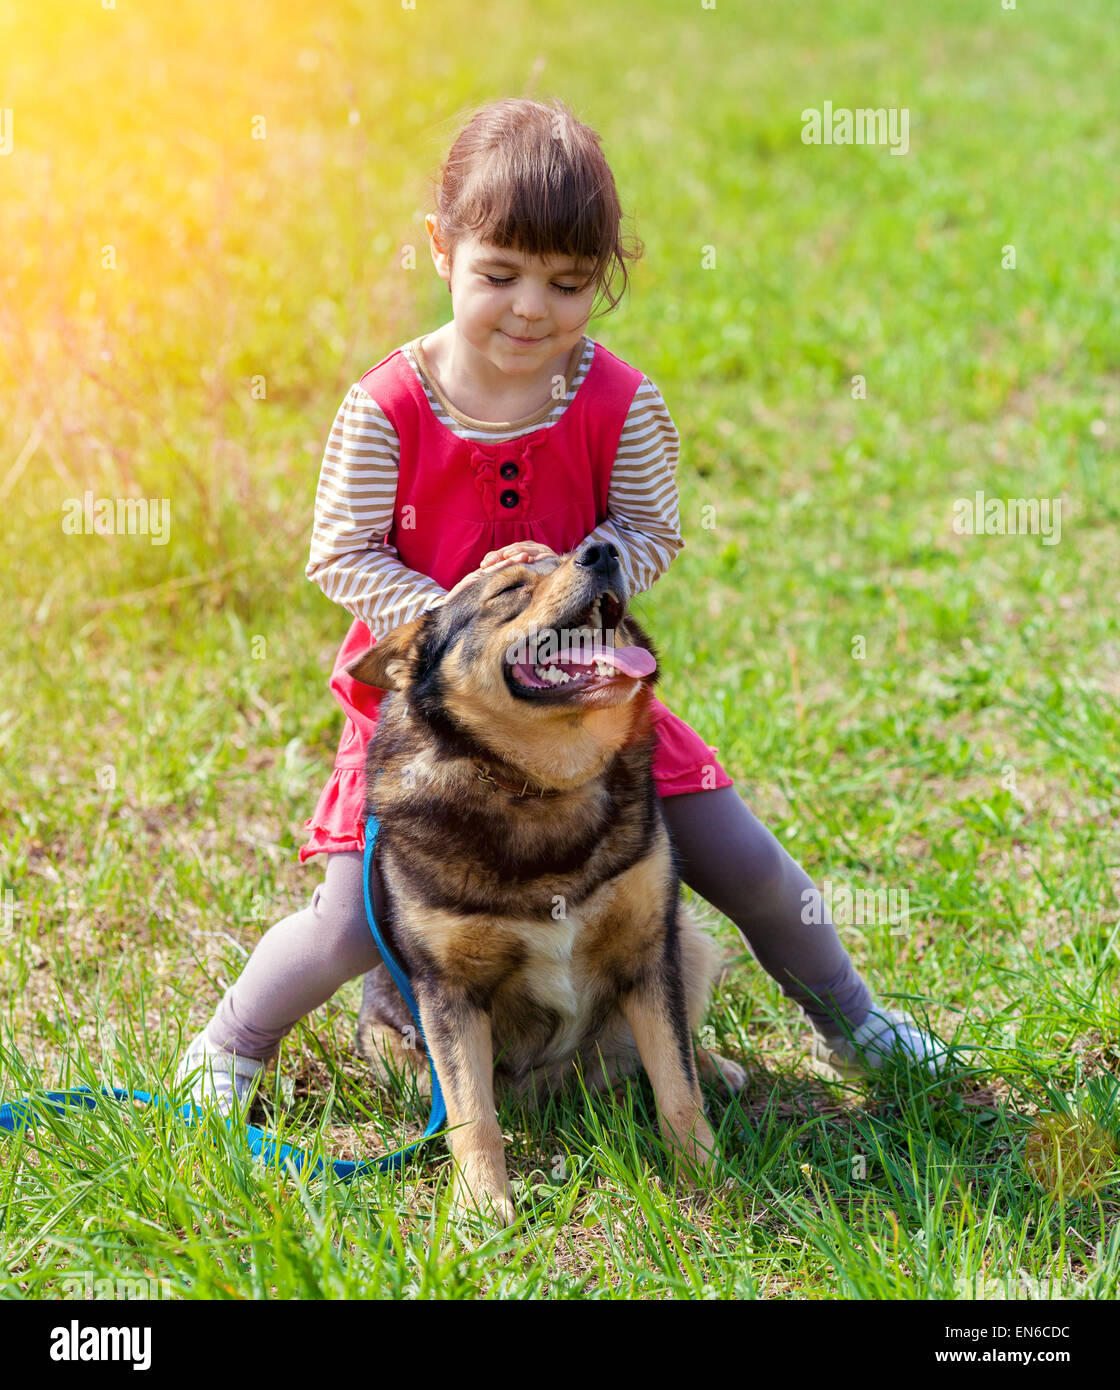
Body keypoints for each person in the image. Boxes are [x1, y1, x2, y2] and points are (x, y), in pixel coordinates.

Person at [177, 96, 946, 1113]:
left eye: (568, 282)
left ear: (603, 276)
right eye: (498, 275)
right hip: (431, 714)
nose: (531, 307)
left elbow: (651, 528)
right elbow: (342, 553)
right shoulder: (387, 407)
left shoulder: (617, 400)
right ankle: (233, 1044)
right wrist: (456, 625)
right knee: (346, 922)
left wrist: (582, 591)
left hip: (582, 700)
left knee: (747, 861)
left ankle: (855, 1019)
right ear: (440, 247)